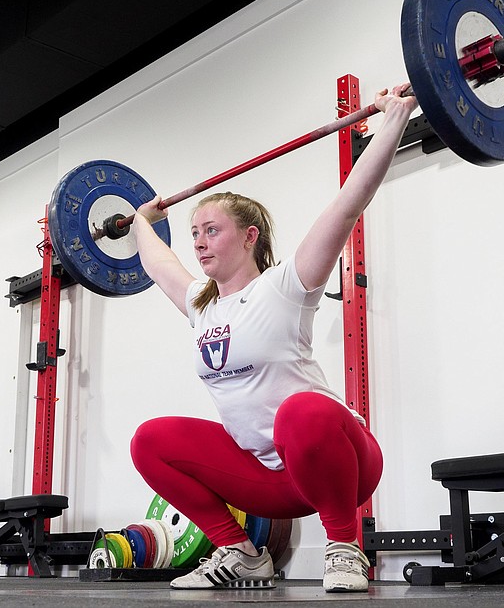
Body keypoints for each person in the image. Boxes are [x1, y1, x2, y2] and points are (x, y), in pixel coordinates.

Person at [129, 84, 417, 592]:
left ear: (249, 236)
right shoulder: (202, 305)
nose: (198, 242)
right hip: (265, 481)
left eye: (211, 230)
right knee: (150, 440)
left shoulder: (284, 286)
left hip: (341, 465)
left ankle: (345, 547)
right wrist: (141, 221)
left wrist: (394, 119)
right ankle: (239, 554)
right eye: (194, 232)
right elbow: (157, 262)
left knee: (300, 411)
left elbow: (348, 206)